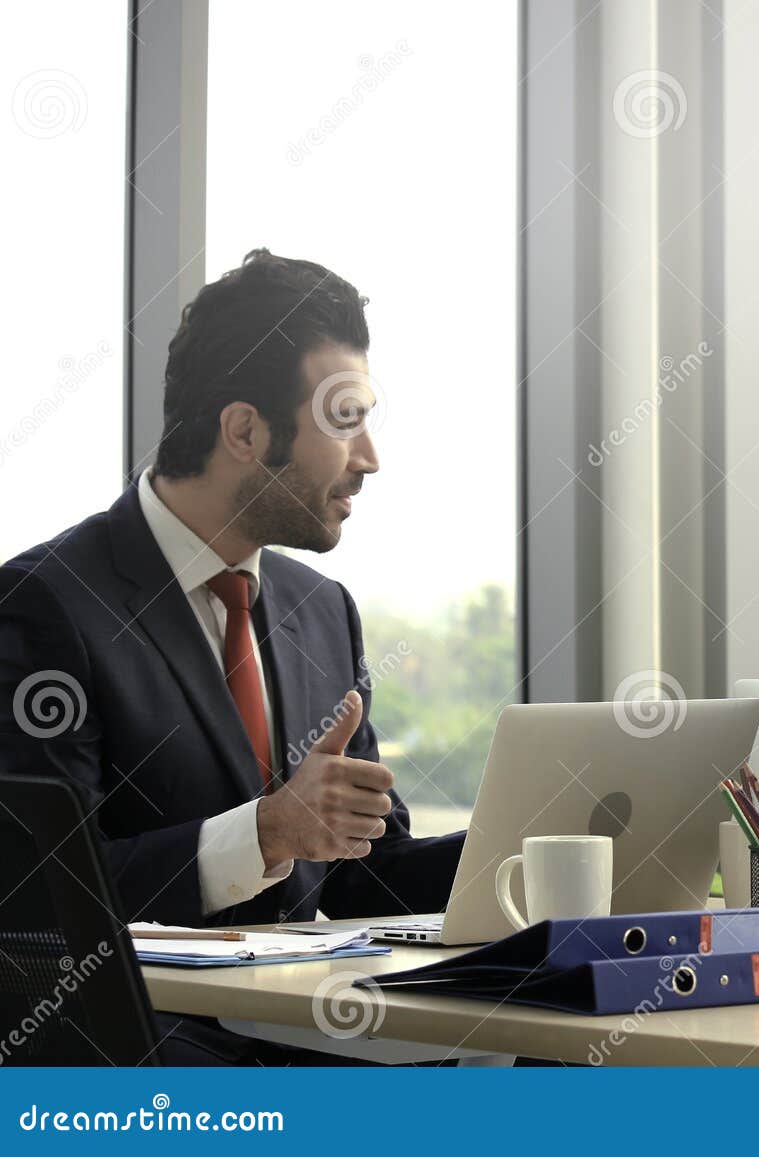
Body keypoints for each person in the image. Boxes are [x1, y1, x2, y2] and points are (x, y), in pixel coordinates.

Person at [0, 250, 465, 1062]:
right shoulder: (44, 605)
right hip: (140, 1049)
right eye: (345, 420)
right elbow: (35, 896)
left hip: (310, 1031)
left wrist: (526, 845)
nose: (370, 460)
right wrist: (266, 830)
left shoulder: (324, 612)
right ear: (245, 430)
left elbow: (364, 872)